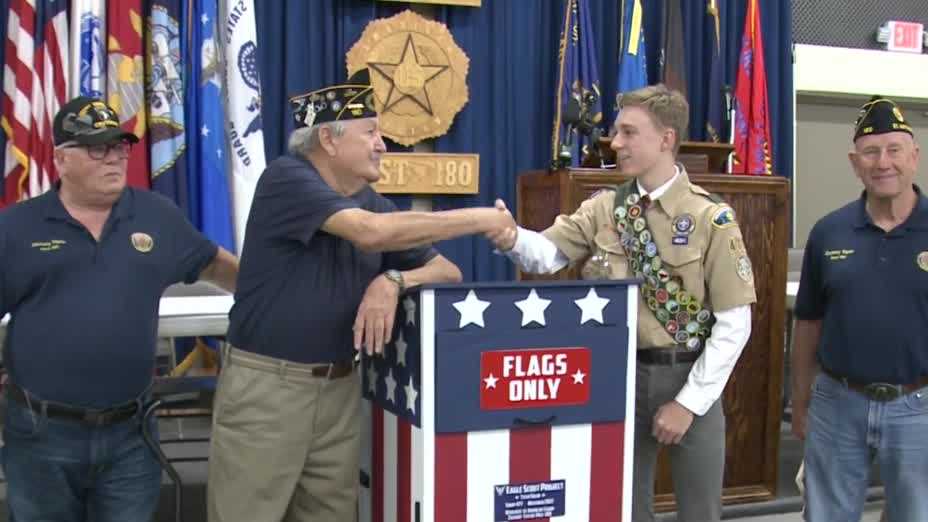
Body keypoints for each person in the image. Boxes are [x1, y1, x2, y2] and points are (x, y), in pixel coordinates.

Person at [207, 69, 515, 522]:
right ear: (328, 141)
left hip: (340, 390)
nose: (381, 145)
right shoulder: (286, 179)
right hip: (268, 390)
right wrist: (482, 218)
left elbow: (446, 271)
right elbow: (369, 235)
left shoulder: (371, 201)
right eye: (370, 132)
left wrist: (392, 282)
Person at [487, 84, 756, 522]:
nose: (615, 143)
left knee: (700, 511)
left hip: (691, 374)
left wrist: (688, 403)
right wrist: (510, 236)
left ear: (666, 139)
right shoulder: (606, 208)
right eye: (617, 131)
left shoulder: (711, 218)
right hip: (619, 377)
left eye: (629, 132)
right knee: (622, 507)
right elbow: (547, 255)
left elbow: (734, 324)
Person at [0, 96, 238, 521]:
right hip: (41, 434)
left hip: (130, 433)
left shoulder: (155, 216)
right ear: (61, 159)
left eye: (119, 147)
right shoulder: (17, 228)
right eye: (97, 148)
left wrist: (283, 289)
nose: (113, 158)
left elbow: (218, 267)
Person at [791, 95, 928, 522]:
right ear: (855, 162)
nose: (882, 162)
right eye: (871, 152)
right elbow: (808, 322)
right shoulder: (829, 232)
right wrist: (800, 401)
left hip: (919, 406)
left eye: (893, 150)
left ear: (914, 157)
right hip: (838, 404)